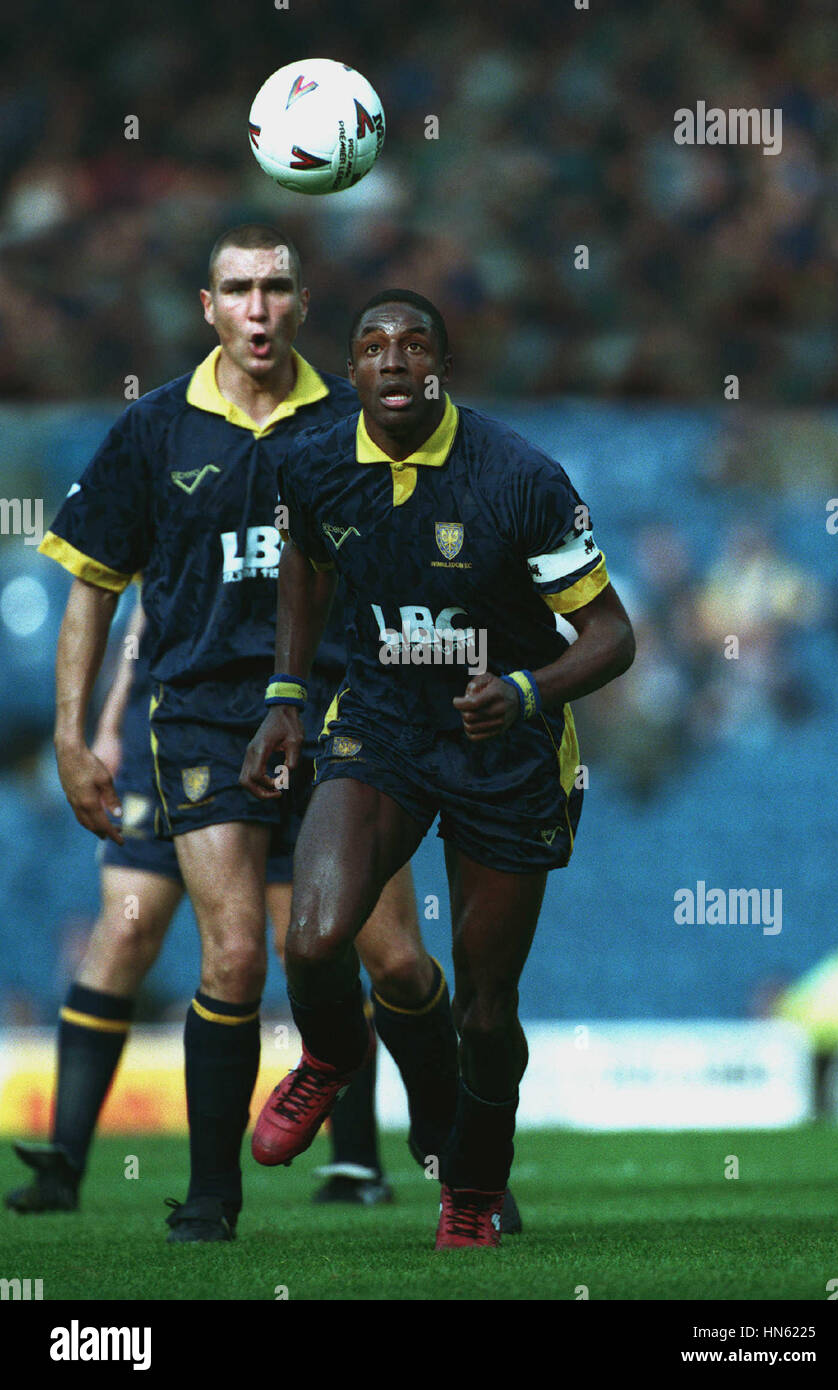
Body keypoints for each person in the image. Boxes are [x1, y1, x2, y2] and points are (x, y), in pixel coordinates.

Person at [28, 230, 451, 1243]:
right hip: (204, 714)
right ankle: (210, 1196)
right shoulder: (155, 429)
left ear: (302, 306)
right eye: (236, 289)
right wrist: (73, 733)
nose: (256, 308)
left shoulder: (354, 422)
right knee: (230, 957)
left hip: (348, 710)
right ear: (206, 306)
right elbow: (92, 582)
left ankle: (460, 1166)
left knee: (390, 956)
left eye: (273, 288)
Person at [241, 289, 635, 1248]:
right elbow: (305, 558)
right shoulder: (313, 463)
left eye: (415, 346)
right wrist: (287, 697)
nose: (394, 361)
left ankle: (469, 1190)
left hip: (507, 745)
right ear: (351, 369)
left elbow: (613, 637)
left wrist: (529, 693)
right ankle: (333, 1054)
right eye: (374, 346)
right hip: (383, 724)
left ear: (441, 369)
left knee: (487, 1010)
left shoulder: (519, 477)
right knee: (313, 938)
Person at [5, 599, 395, 1215]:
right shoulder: (168, 506)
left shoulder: (309, 508)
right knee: (126, 934)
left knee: (299, 947)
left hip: (281, 719)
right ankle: (63, 1160)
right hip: (168, 725)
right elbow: (142, 602)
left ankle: (355, 1158)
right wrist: (110, 722)